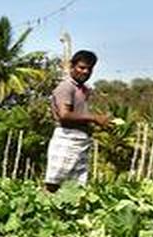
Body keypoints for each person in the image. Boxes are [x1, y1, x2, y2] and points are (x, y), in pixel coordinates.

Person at [44, 50, 110, 192]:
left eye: (89, 69)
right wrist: (94, 118)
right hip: (67, 139)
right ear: (71, 66)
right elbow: (64, 115)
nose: (85, 72)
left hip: (80, 140)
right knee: (54, 183)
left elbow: (79, 114)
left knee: (76, 186)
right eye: (81, 67)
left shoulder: (82, 89)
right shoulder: (66, 87)